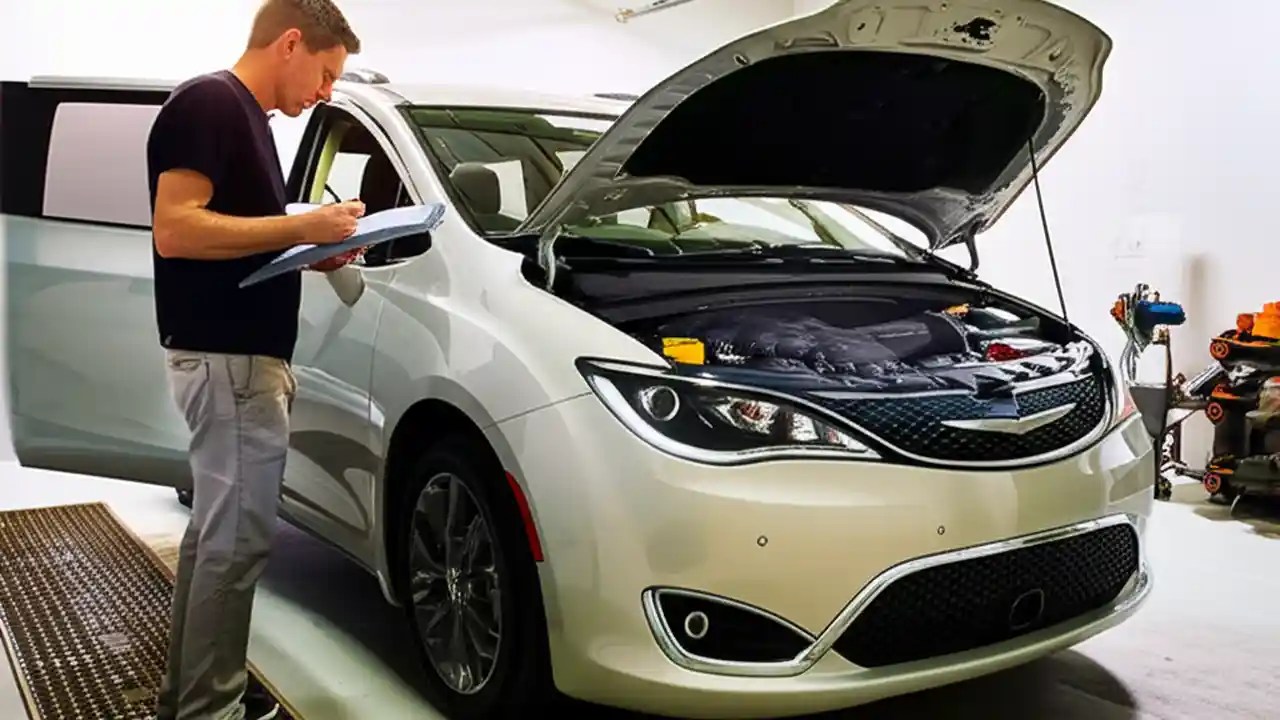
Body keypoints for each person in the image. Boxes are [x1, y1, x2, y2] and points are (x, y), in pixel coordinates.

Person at [145, 1, 363, 718]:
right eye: (326, 73)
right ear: (292, 43)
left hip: (234, 360)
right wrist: (304, 223)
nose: (327, 91)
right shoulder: (212, 102)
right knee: (236, 546)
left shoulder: (248, 120)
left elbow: (237, 236)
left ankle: (194, 699)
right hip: (229, 363)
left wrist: (313, 244)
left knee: (218, 538)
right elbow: (176, 229)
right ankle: (213, 708)